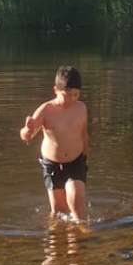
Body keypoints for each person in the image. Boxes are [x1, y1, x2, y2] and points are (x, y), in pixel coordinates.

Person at [20, 65, 89, 221]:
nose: (71, 99)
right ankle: (56, 236)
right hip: (52, 164)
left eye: (76, 95)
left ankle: (82, 231)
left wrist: (85, 158)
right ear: (55, 90)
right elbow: (26, 136)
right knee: (59, 211)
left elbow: (84, 135)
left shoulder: (81, 108)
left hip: (76, 161)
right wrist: (27, 130)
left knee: (76, 194)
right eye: (67, 95)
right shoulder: (46, 110)